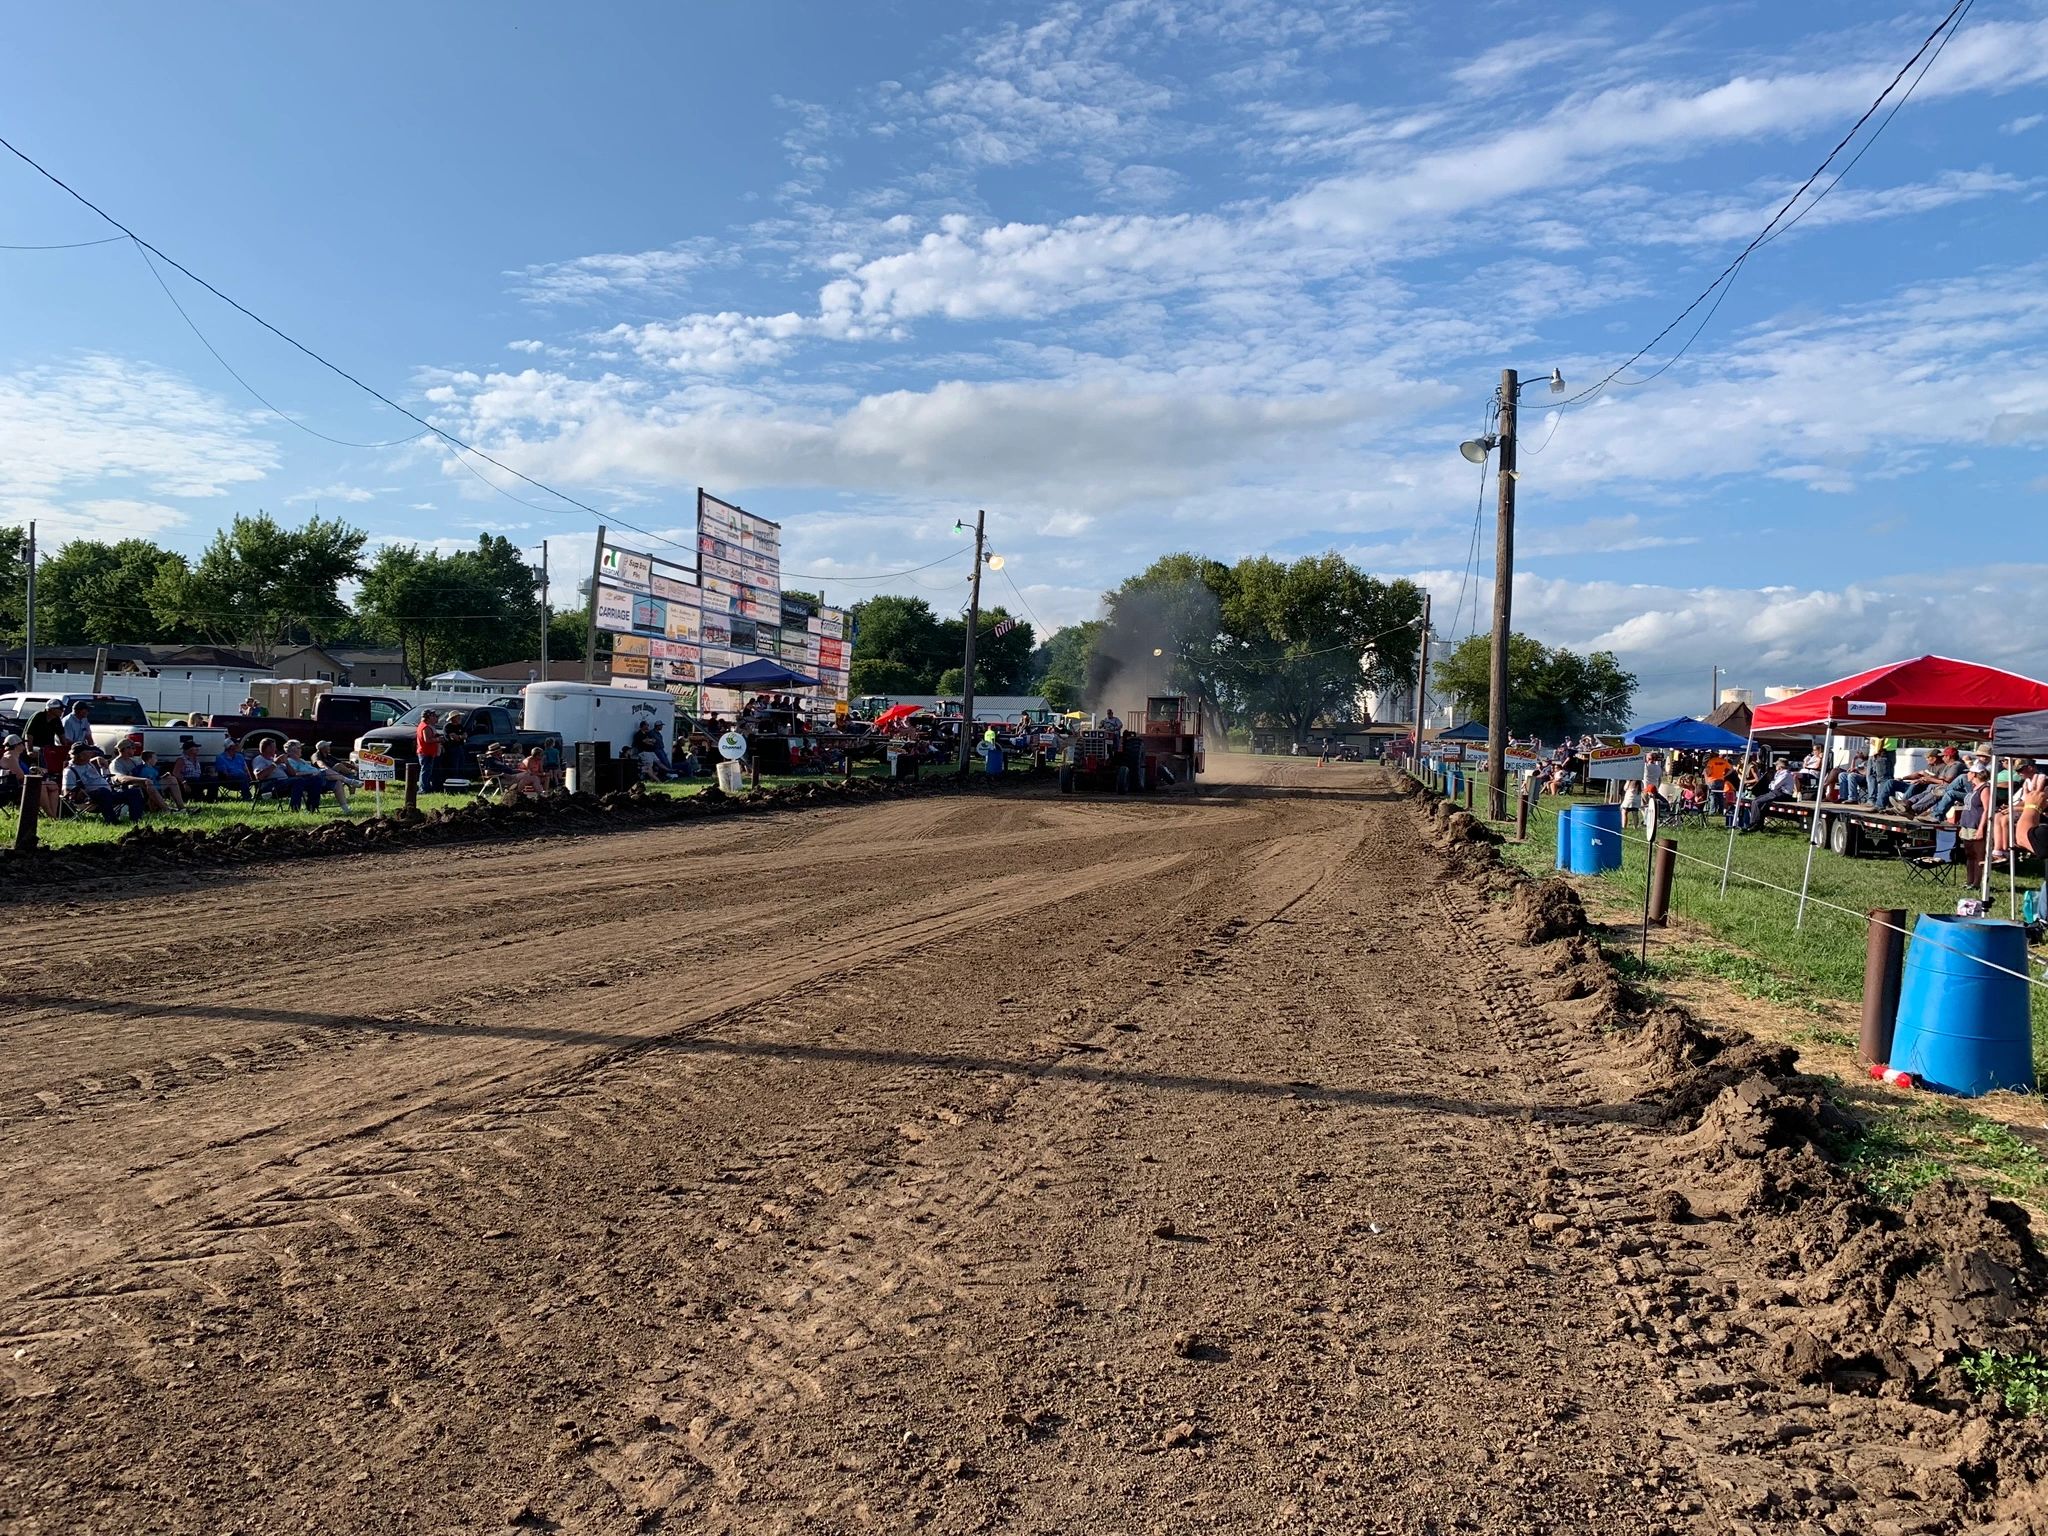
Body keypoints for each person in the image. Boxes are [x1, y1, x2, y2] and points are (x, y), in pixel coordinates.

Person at [62, 742, 145, 822]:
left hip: (109, 794)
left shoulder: (87, 763)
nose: (91, 754)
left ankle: (136, 820)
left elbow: (92, 760)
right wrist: (78, 793)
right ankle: (112, 821)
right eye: (89, 752)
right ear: (81, 756)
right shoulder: (70, 771)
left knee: (134, 792)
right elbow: (67, 792)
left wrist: (99, 758)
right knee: (103, 792)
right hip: (89, 800)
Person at [109, 737, 171, 814]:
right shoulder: (116, 764)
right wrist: (143, 780)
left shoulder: (134, 761)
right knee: (148, 783)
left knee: (171, 779)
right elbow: (120, 778)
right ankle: (166, 809)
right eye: (133, 748)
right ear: (125, 749)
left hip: (145, 783)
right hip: (126, 787)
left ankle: (181, 808)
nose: (135, 750)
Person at [1744, 757, 1799, 831]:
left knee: (1757, 802)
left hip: (1782, 794)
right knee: (1758, 802)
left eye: (1776, 765)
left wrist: (1772, 784)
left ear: (1780, 767)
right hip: (1777, 792)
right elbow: (1773, 785)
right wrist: (1772, 784)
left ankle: (1754, 824)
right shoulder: (1780, 773)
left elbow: (1774, 786)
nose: (1775, 766)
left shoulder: (1785, 774)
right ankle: (1758, 825)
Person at [310, 741, 361, 811]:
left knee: (341, 770)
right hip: (323, 776)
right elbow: (320, 764)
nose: (329, 748)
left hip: (335, 775)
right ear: (322, 748)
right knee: (339, 766)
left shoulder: (328, 756)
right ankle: (353, 780)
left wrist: (355, 768)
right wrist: (329, 770)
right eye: (327, 746)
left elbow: (342, 763)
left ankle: (352, 781)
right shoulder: (316, 755)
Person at [24, 698, 67, 776]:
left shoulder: (57, 720)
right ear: (52, 709)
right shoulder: (38, 716)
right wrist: (29, 750)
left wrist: (66, 749)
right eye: (60, 709)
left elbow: (62, 737)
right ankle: (44, 774)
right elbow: (29, 735)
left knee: (55, 753)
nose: (62, 711)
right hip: (35, 746)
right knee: (41, 752)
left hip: (48, 747)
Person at [173, 737, 211, 803]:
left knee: (213, 781)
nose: (197, 749)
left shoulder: (195, 759)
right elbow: (176, 773)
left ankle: (211, 799)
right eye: (195, 748)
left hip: (197, 778)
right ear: (189, 749)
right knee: (196, 783)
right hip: (188, 779)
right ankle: (199, 799)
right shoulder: (181, 759)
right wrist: (184, 783)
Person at [414, 709, 443, 792]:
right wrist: (438, 739)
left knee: (427, 770)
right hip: (426, 752)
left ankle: (425, 787)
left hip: (427, 752)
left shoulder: (424, 725)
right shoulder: (425, 727)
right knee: (425, 771)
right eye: (432, 716)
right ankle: (423, 788)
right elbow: (427, 740)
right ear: (428, 717)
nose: (434, 717)